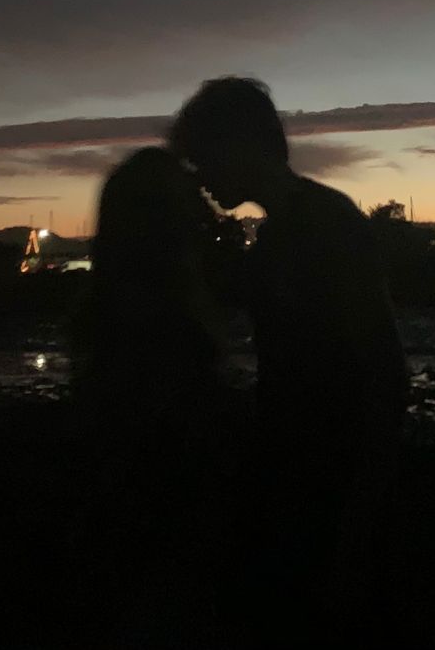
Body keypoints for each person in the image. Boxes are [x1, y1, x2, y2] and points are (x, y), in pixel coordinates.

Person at [170, 77, 409, 646]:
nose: (200, 176)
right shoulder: (295, 226)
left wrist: (359, 512)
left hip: (325, 481)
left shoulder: (321, 224)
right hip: (306, 476)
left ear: (240, 148)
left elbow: (383, 367)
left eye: (202, 158)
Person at [71, 147, 233, 649]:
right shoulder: (166, 313)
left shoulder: (108, 304)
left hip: (125, 532)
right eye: (192, 201)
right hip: (173, 533)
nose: (206, 211)